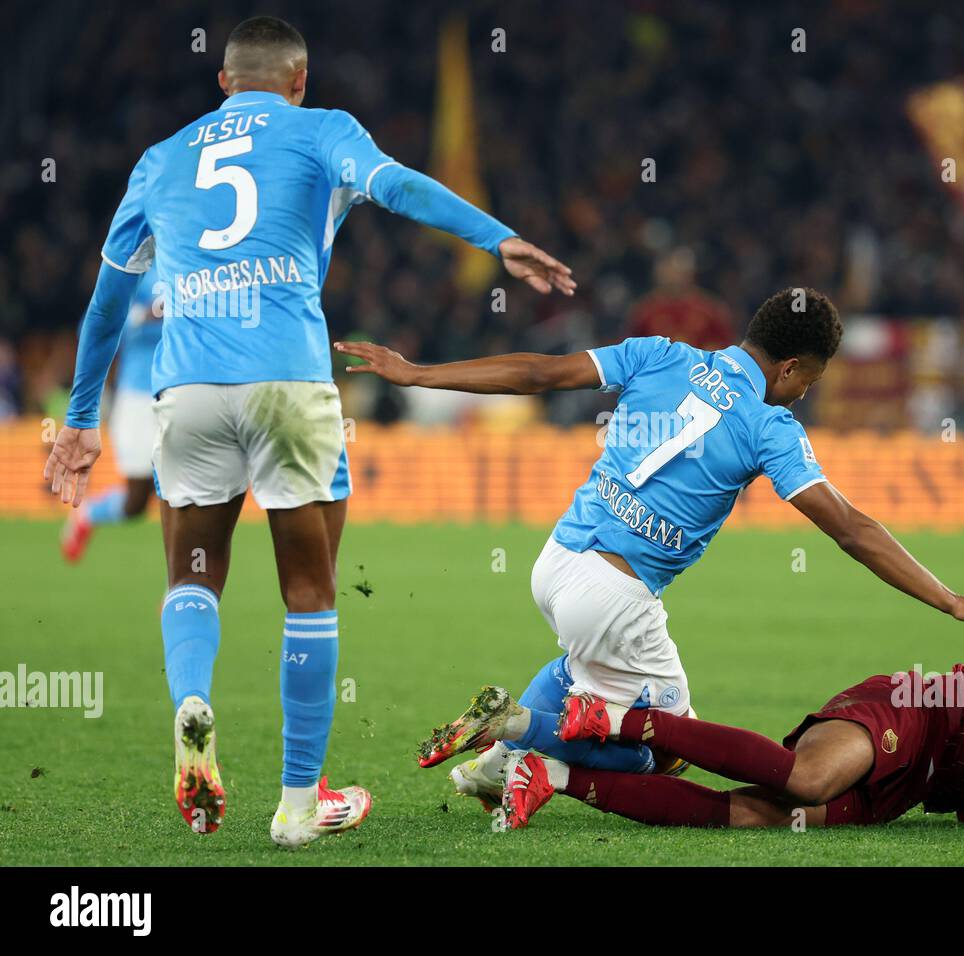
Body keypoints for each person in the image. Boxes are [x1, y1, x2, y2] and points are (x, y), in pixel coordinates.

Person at [42, 16, 574, 847]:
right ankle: (298, 804)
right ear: (299, 80)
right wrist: (496, 237)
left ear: (222, 82)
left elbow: (107, 302)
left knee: (193, 572)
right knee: (310, 591)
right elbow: (398, 187)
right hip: (288, 381)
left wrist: (79, 419)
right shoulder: (325, 130)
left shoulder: (160, 157)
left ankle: (192, 698)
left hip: (185, 388)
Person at [333, 287, 964, 805]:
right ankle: (519, 736)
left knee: (585, 669)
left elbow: (540, 374)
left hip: (556, 561)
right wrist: (949, 600)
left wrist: (418, 372)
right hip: (614, 594)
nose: (800, 396)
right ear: (793, 369)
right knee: (670, 747)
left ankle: (496, 768)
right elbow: (851, 528)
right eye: (809, 383)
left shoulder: (658, 354)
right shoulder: (770, 427)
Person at [499, 650, 964, 831]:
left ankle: (554, 780)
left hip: (914, 787)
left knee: (755, 818)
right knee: (807, 780)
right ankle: (614, 720)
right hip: (927, 707)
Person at [61, 267, 163, 562]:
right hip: (137, 399)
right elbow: (89, 326)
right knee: (136, 503)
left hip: (184, 393)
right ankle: (88, 514)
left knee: (182, 492)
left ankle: (183, 588)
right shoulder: (139, 268)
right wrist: (142, 316)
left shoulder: (193, 258)